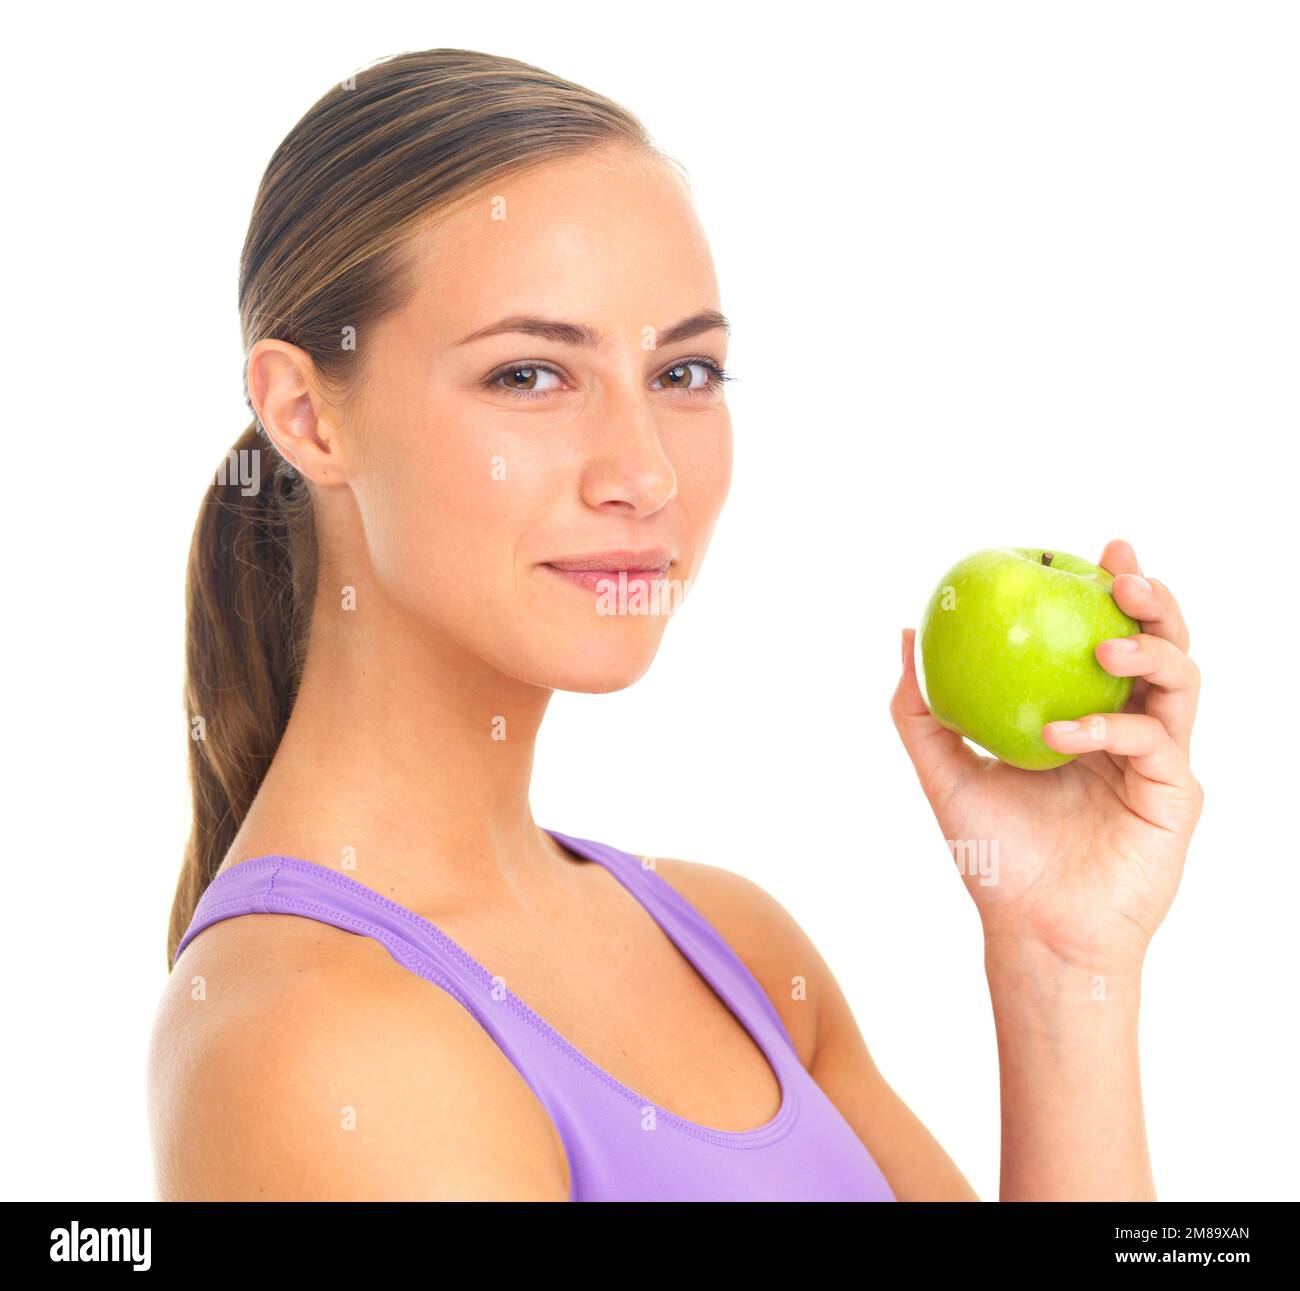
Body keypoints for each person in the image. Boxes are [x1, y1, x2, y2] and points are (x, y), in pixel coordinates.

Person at [148, 48, 1204, 1202]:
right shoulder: (316, 1040)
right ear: (307, 415)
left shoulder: (734, 948)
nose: (644, 471)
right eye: (530, 376)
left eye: (685, 370)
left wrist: (1063, 962)